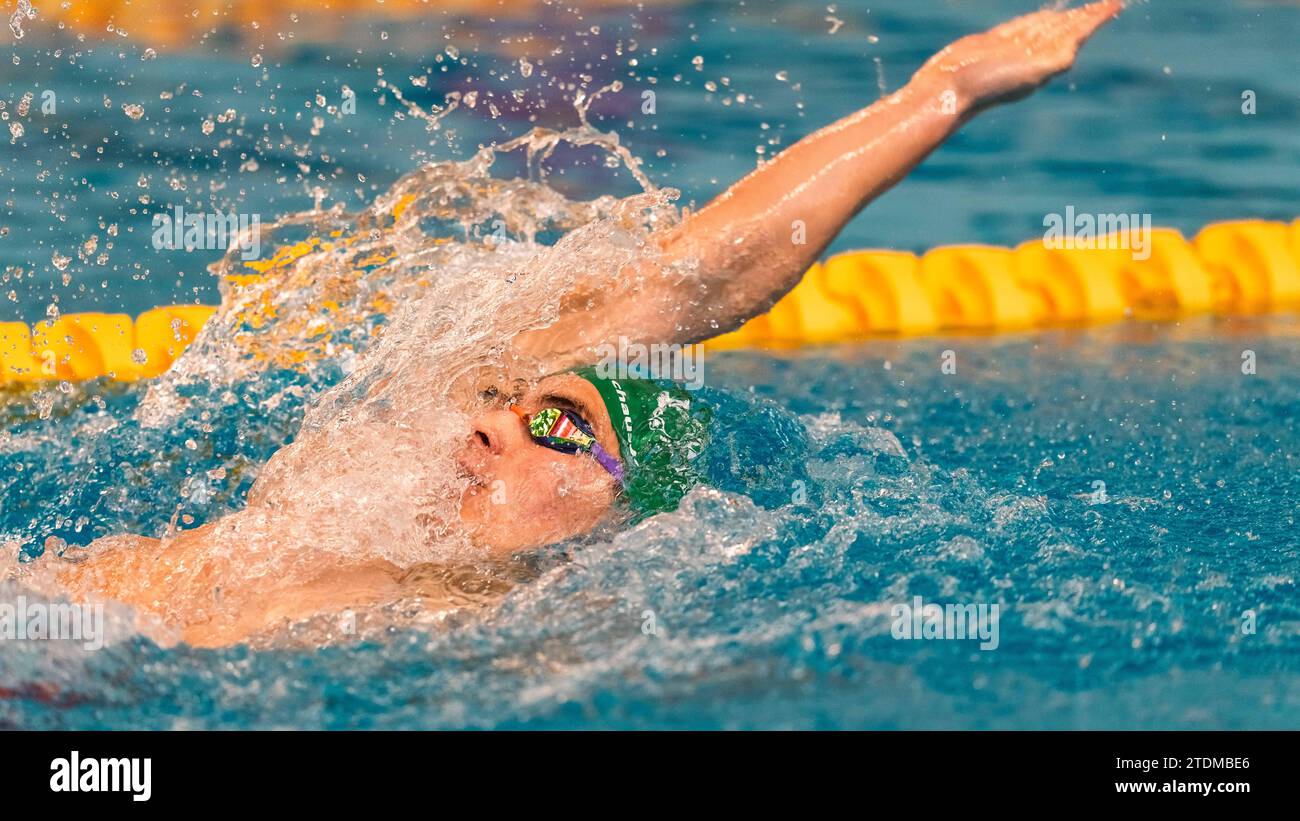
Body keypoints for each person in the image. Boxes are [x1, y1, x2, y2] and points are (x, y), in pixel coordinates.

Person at [50, 2, 1124, 646]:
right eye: (508, 405)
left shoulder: (514, 635)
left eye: (553, 426)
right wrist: (942, 90)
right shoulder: (379, 473)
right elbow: (698, 275)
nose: (487, 427)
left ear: (630, 514)